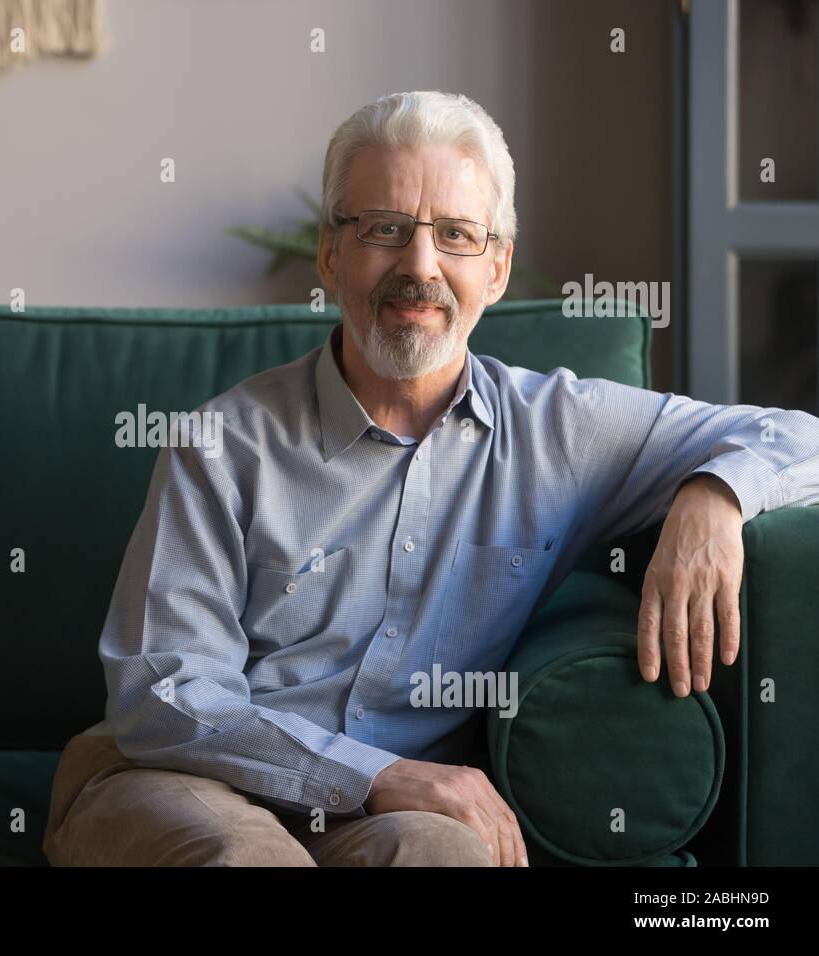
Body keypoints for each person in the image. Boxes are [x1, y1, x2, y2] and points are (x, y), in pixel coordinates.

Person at [43, 90, 819, 867]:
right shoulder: (220, 446)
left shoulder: (561, 432)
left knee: (445, 856)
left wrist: (713, 496)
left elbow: (799, 438)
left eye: (455, 236)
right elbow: (165, 697)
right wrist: (378, 774)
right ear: (330, 254)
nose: (420, 267)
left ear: (498, 267)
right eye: (386, 230)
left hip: (384, 819)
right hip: (179, 781)